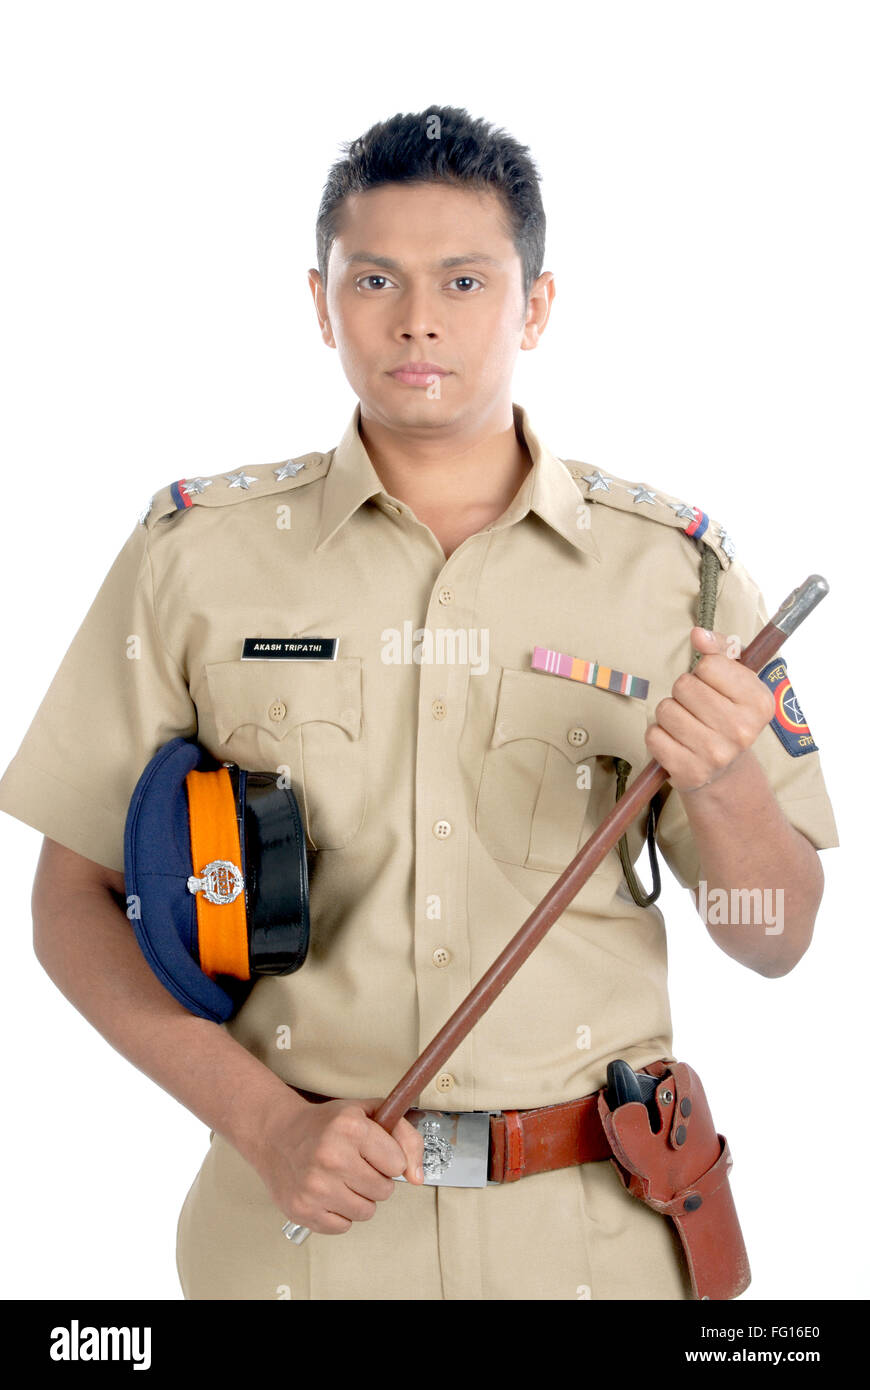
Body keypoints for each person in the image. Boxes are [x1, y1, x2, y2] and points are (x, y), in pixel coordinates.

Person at [0, 105, 838, 1300]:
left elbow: (779, 936)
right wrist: (265, 1122)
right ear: (319, 297)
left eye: (465, 279)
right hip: (296, 1243)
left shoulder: (678, 575)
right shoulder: (195, 555)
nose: (419, 319)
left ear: (537, 305)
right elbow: (71, 901)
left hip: (596, 1245)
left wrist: (727, 780)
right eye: (376, 278)